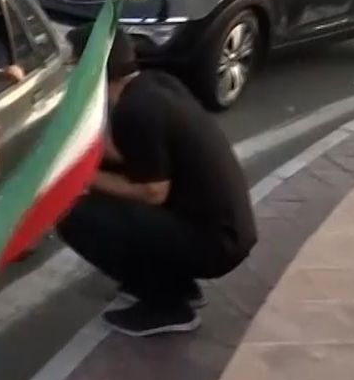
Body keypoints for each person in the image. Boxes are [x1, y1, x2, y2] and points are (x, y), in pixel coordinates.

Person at [57, 27, 255, 337]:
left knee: (74, 214)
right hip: (222, 229)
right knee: (105, 200)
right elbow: (133, 154)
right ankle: (177, 285)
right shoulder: (153, 85)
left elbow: (152, 192)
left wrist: (80, 178)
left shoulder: (134, 111)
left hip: (215, 243)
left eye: (71, 64)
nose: (67, 71)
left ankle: (166, 305)